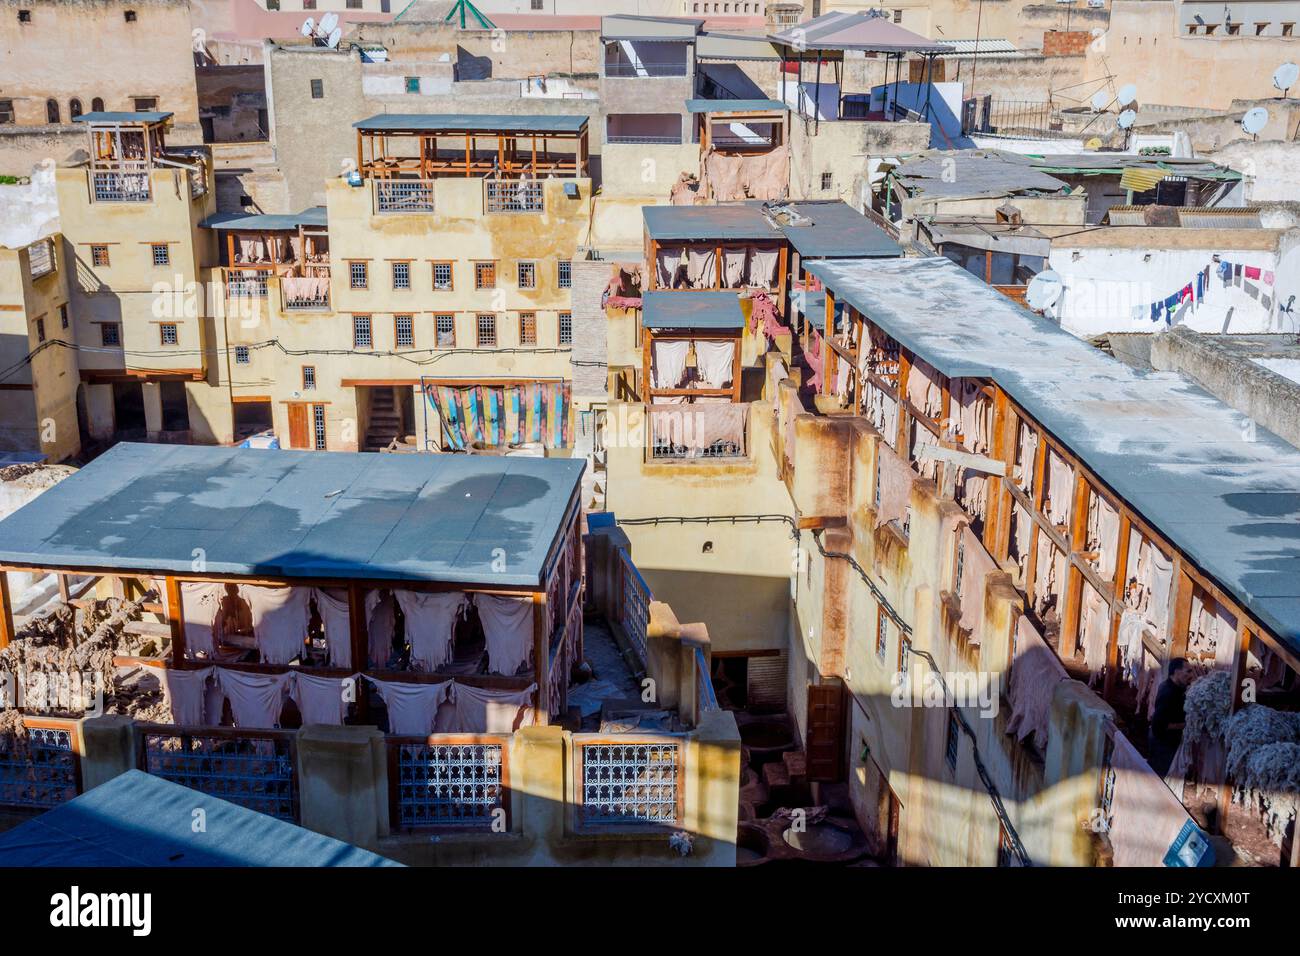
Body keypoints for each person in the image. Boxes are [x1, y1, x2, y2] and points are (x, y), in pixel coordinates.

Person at [1148, 657, 1195, 777]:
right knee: (1159, 781)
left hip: (1168, 745)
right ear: (1176, 672)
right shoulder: (1168, 693)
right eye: (1188, 671)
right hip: (1163, 746)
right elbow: (1158, 726)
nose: (1191, 675)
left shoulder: (1177, 688)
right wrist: (1187, 725)